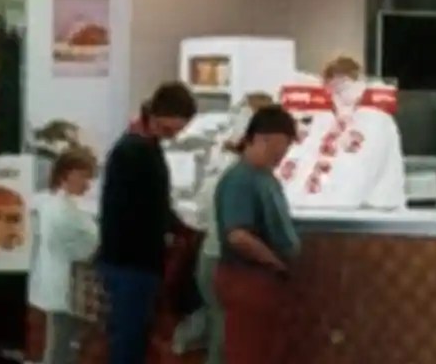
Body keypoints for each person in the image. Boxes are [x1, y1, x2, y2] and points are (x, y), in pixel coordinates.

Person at [97, 82, 197, 364]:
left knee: (130, 338)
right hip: (132, 263)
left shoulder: (138, 144)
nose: (172, 136)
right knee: (129, 341)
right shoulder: (136, 151)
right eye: (170, 130)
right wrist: (180, 231)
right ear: (157, 114)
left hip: (127, 260)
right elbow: (151, 207)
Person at [214, 105, 301, 364]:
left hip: (263, 279)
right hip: (248, 277)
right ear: (261, 139)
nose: (282, 156)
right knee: (247, 352)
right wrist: (274, 262)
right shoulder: (240, 179)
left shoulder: (264, 177)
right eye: (279, 149)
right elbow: (238, 235)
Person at [194, 93, 273, 364]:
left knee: (223, 331)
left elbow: (203, 214)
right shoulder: (242, 172)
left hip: (211, 254)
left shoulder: (226, 164)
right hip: (225, 261)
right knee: (228, 337)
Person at [30, 147, 100, 364]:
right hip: (65, 286)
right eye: (84, 176)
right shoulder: (63, 211)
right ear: (67, 174)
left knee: (60, 344)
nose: (88, 184)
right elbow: (88, 249)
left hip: (57, 284)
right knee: (61, 347)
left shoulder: (50, 202)